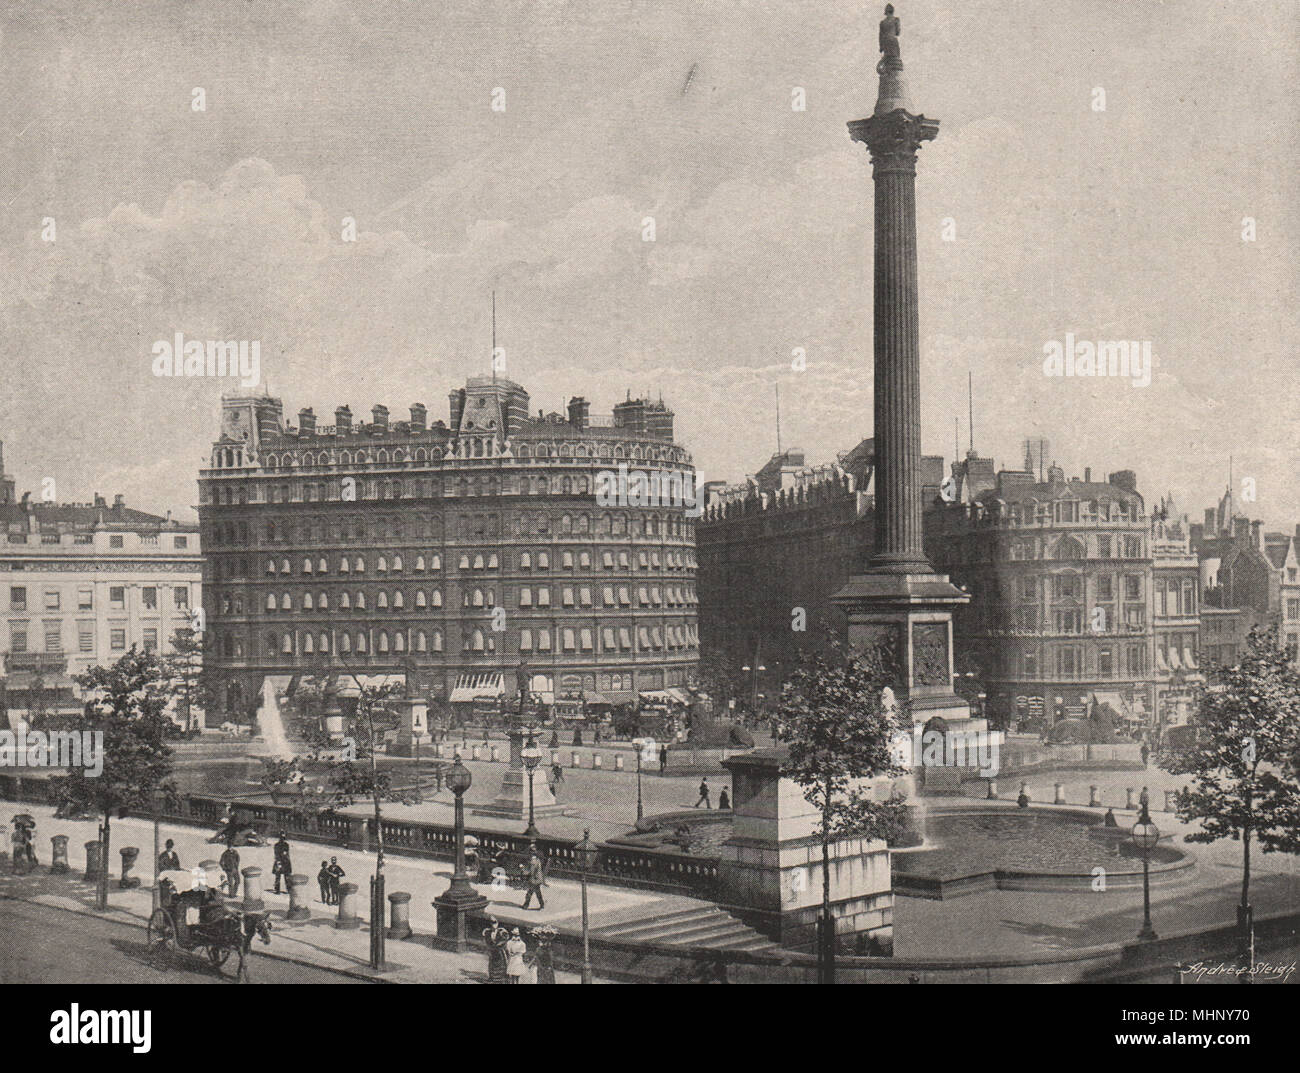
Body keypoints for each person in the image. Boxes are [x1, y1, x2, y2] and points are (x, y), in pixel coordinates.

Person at [483, 917, 509, 984]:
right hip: (493, 951)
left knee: (501, 965)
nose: (493, 925)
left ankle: (501, 980)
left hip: (500, 952)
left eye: (495, 923)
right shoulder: (488, 932)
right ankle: (492, 978)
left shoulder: (502, 932)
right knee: (492, 964)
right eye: (492, 923)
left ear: (497, 923)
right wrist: (491, 948)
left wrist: (497, 946)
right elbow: (487, 941)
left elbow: (504, 940)